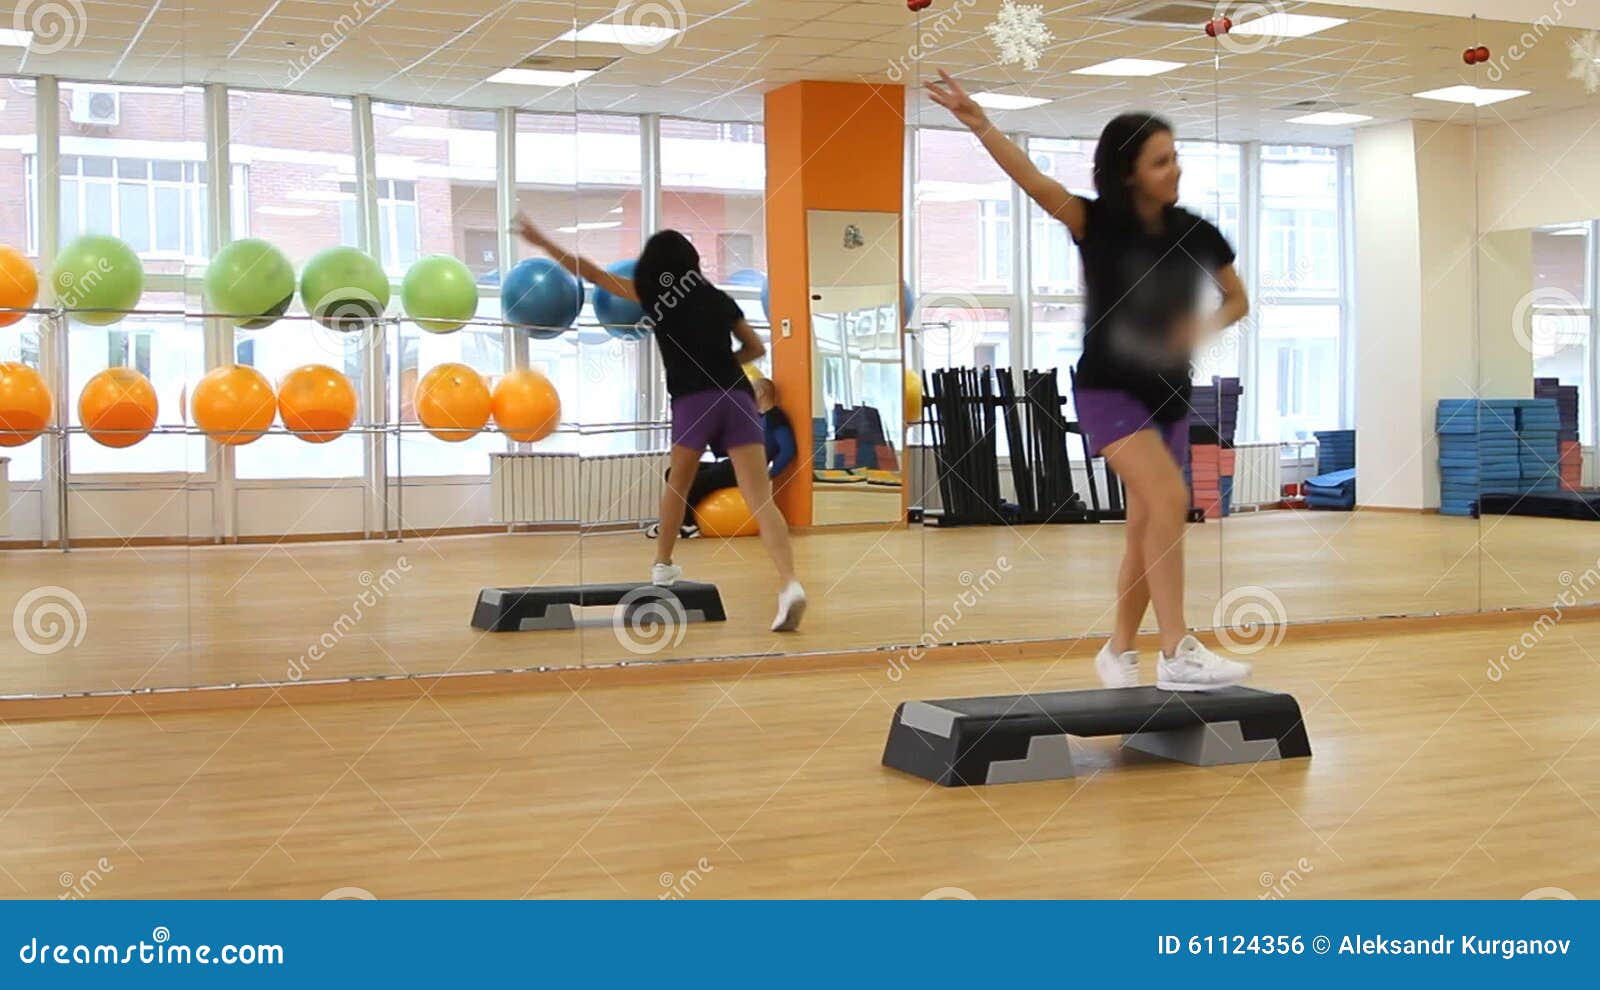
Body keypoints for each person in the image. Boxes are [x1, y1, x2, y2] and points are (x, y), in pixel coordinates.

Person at [926, 70, 1253, 692]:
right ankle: (1178, 650)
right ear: (1130, 171)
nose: (1174, 170)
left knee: (1144, 528)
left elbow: (1237, 299)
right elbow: (1031, 179)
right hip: (1108, 390)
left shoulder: (1196, 232)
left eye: (1175, 157)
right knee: (1166, 504)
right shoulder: (1095, 223)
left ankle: (1118, 651)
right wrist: (980, 122)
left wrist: (1200, 327)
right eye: (1161, 162)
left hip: (1171, 395)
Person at [515, 217, 807, 632]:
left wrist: (542, 238)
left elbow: (592, 272)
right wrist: (724, 364)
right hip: (738, 396)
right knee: (761, 498)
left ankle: (663, 566)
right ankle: (790, 582)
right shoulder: (718, 298)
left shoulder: (653, 294)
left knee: (678, 485)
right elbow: (756, 347)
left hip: (694, 401)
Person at [648, 376, 796, 539]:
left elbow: (788, 450)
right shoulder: (755, 417)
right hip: (732, 463)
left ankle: (686, 524)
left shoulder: (775, 417)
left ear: (760, 393)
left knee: (695, 480)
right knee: (674, 472)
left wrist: (769, 474)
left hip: (747, 470)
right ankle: (683, 521)